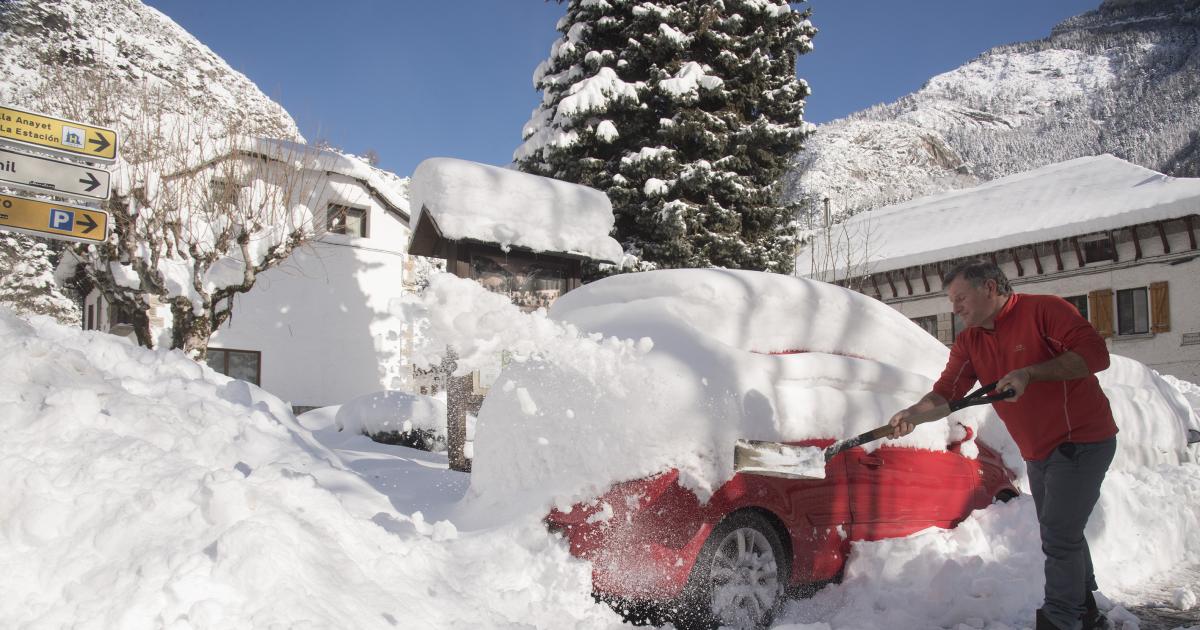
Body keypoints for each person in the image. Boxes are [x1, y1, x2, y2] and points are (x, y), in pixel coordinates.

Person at [888, 259, 1118, 630]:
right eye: (952, 300)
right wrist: (913, 414)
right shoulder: (971, 340)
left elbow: (1095, 355)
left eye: (960, 298)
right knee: (1060, 530)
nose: (955, 308)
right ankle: (1086, 609)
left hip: (1081, 440)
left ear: (990, 288)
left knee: (1059, 533)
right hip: (1038, 451)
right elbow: (948, 393)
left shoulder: (1044, 311)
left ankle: (1061, 620)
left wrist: (1031, 373)